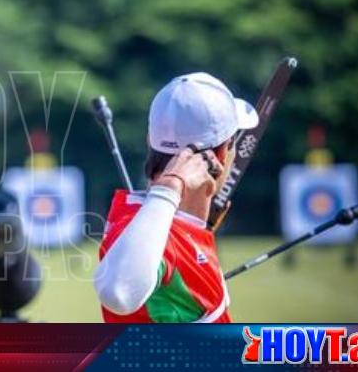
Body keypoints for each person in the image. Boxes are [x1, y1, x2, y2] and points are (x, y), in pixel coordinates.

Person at [93, 72, 258, 323]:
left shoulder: (159, 226)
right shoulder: (149, 231)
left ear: (150, 140)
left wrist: (197, 232)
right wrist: (169, 187)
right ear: (223, 153)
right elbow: (118, 293)